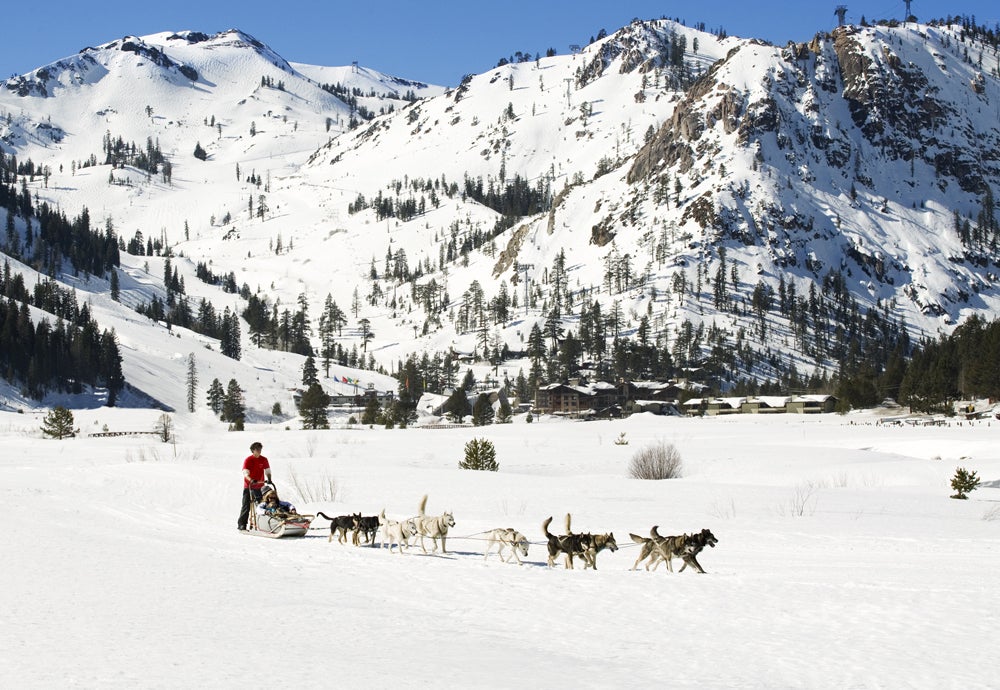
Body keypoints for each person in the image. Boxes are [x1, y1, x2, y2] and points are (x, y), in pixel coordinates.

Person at [237, 441, 272, 531]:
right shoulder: (248, 460)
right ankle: (242, 524)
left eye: (260, 449)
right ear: (253, 450)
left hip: (260, 487)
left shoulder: (264, 459)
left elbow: (267, 471)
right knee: (246, 506)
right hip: (249, 486)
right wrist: (251, 480)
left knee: (262, 505)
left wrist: (269, 479)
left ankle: (264, 524)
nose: (259, 451)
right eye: (257, 449)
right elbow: (245, 473)